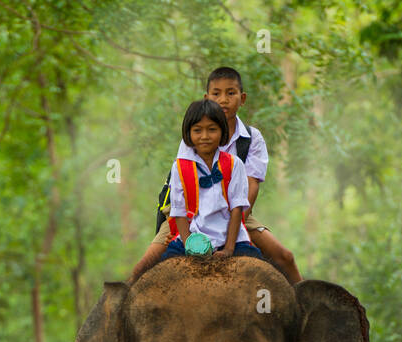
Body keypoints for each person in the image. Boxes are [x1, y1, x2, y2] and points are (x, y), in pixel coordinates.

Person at [128, 66, 303, 284]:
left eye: (231, 93)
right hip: (190, 213)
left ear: (242, 98)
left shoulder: (251, 138)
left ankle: (305, 310)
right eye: (216, 93)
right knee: (144, 266)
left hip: (235, 212)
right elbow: (185, 182)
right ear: (206, 97)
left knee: (285, 257)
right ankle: (117, 310)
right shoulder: (192, 138)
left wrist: (229, 231)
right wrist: (191, 238)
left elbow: (251, 187)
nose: (224, 100)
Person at [158, 98, 265, 264]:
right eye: (197, 130)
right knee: (161, 271)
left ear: (222, 132)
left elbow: (237, 209)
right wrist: (189, 247)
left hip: (231, 238)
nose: (205, 136)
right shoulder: (179, 167)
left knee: (258, 267)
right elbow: (179, 211)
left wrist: (229, 249)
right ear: (188, 133)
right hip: (193, 236)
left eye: (212, 129)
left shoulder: (234, 164)